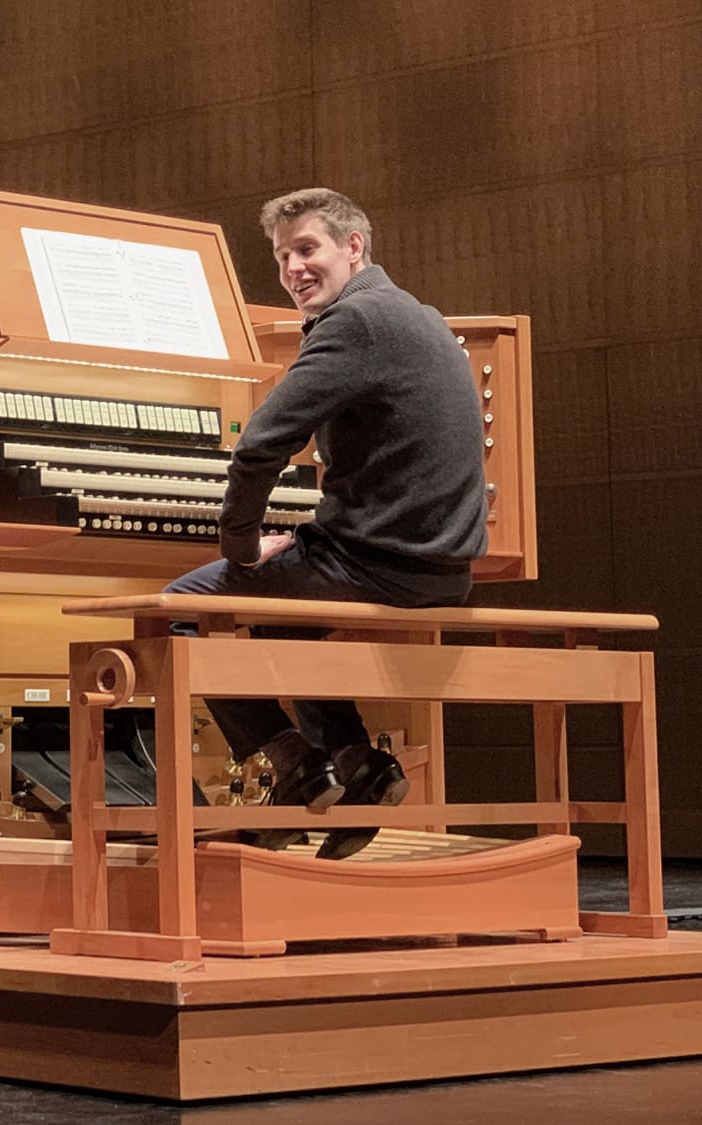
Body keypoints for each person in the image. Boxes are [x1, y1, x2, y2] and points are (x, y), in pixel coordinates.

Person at [164, 188, 488, 861]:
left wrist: (241, 543)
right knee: (283, 608)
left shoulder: (355, 323)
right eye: (283, 257)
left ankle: (294, 765)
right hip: (441, 568)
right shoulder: (418, 315)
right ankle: (358, 765)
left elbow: (258, 444)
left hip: (378, 563)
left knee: (180, 609)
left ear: (354, 247)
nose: (292, 268)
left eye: (306, 248)